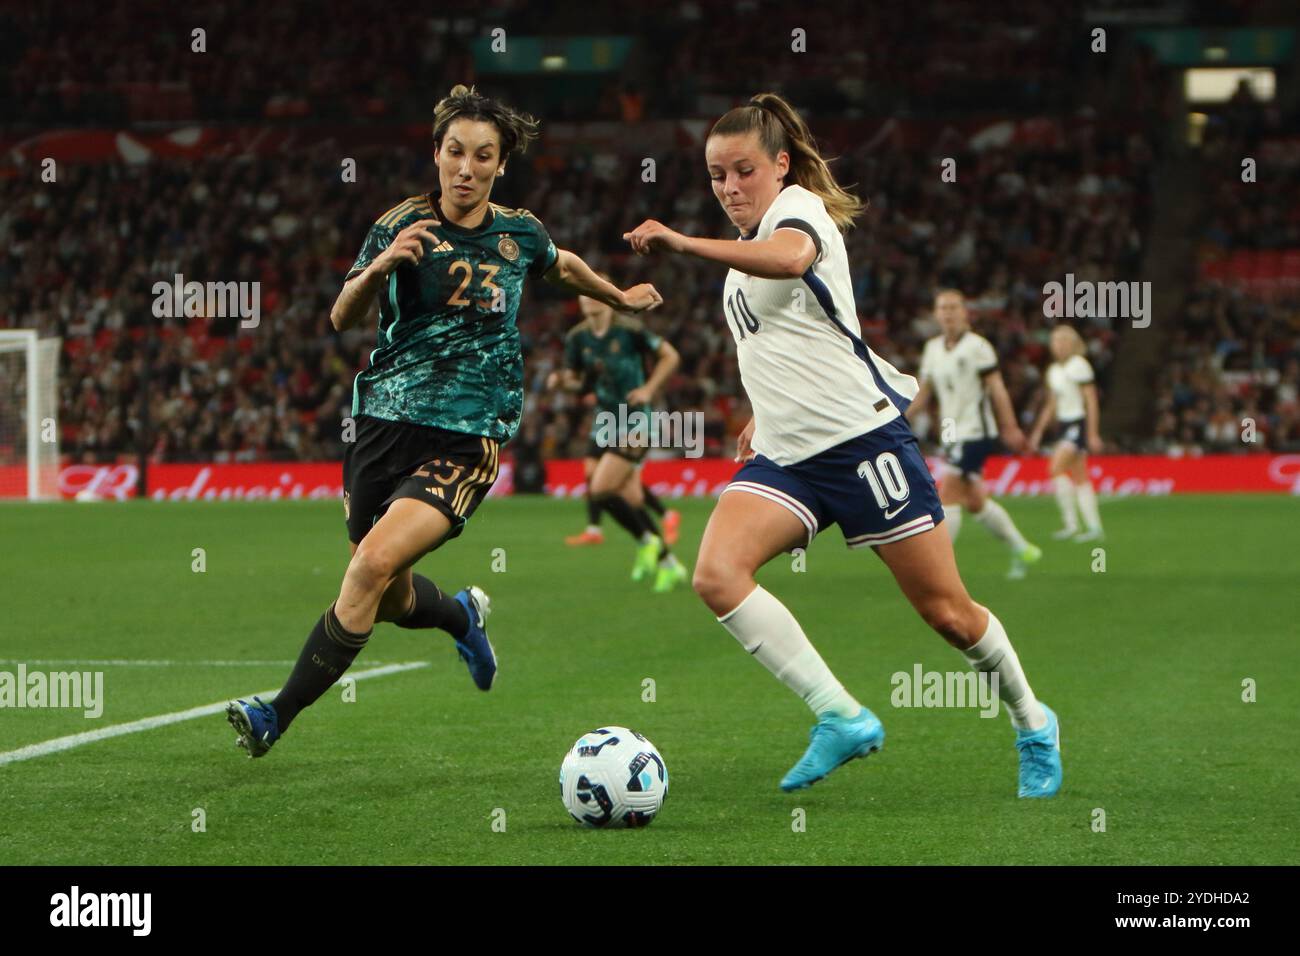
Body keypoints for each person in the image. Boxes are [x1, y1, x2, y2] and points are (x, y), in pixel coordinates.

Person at [623, 92, 1061, 797]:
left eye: (743, 171)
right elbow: (793, 341)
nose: (729, 187)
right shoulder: (746, 257)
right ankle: (841, 715)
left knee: (947, 613)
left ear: (780, 165)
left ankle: (1034, 721)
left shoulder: (798, 212)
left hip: (863, 446)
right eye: (716, 176)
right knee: (715, 575)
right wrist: (761, 415)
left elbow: (793, 260)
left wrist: (681, 242)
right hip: (788, 458)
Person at [226, 85, 662, 757]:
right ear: (435, 154)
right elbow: (341, 316)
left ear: (500, 165)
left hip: (467, 434)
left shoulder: (519, 234)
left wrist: (619, 296)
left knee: (369, 565)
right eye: (454, 152)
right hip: (379, 426)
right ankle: (462, 615)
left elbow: (560, 264)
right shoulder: (400, 225)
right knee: (390, 592)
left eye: (482, 156)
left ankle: (274, 715)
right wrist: (380, 267)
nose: (466, 167)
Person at [547, 287, 688, 591]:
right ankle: (668, 564)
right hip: (605, 421)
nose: (587, 298)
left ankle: (647, 541)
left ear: (606, 297)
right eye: (583, 294)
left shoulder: (630, 330)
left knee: (600, 488)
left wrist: (649, 390)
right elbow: (579, 385)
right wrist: (561, 382)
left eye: (593, 292)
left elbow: (670, 356)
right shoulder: (577, 338)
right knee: (631, 498)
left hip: (635, 419)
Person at [907, 289, 1042, 579]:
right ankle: (1023, 549)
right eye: (943, 308)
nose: (948, 313)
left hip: (977, 431)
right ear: (936, 314)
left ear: (966, 313)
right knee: (975, 501)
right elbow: (925, 391)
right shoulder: (932, 348)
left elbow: (997, 388)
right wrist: (901, 418)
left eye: (954, 307)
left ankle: (939, 570)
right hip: (951, 432)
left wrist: (1009, 427)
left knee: (948, 495)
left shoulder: (978, 347)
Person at [1028, 325, 1105, 541]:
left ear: (1073, 344)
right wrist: (1038, 432)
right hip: (1064, 424)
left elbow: (1091, 401)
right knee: (1080, 476)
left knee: (1056, 468)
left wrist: (1092, 433)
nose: (1059, 345)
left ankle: (1072, 523)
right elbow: (1051, 404)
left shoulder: (1079, 366)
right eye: (1056, 341)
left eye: (1064, 341)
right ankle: (1092, 527)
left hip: (1077, 423)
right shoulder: (1054, 371)